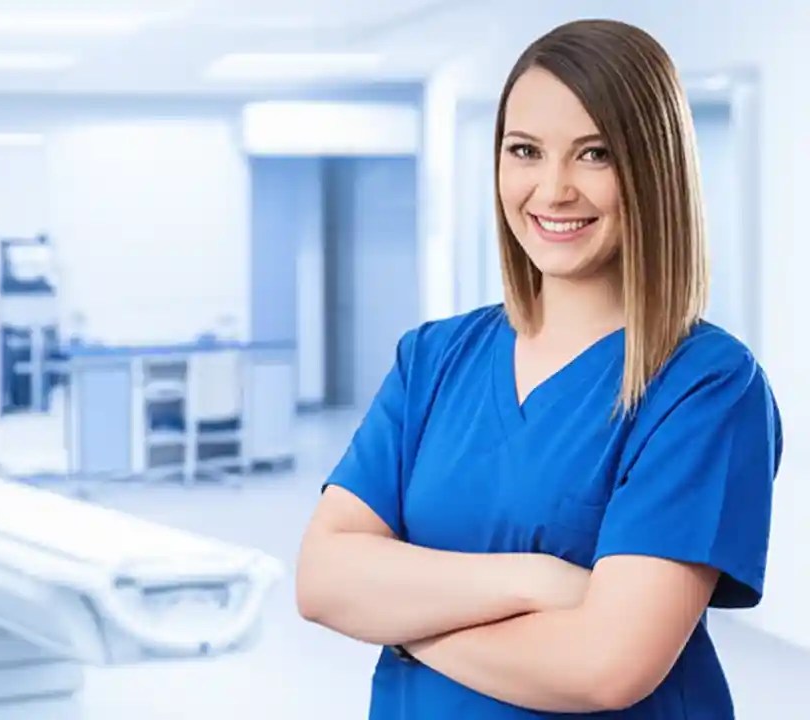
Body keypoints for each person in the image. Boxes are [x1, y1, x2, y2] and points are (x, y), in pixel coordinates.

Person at [295, 18, 782, 719]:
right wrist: (540, 580)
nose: (552, 190)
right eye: (525, 150)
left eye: (595, 155)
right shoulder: (433, 360)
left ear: (654, 170)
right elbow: (322, 578)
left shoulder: (706, 385)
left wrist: (403, 626)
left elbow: (603, 668)